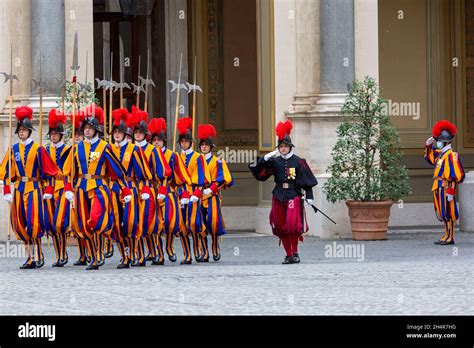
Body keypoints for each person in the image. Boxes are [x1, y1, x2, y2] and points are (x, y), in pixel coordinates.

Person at [63, 104, 131, 270]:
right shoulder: (76, 148)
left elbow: (116, 171)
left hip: (99, 188)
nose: (86, 131)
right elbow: (68, 172)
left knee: (98, 220)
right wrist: (67, 189)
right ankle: (93, 258)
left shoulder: (104, 147)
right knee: (84, 226)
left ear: (96, 130)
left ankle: (124, 254)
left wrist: (125, 189)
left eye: (90, 128)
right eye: (85, 128)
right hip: (81, 188)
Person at [249, 119, 317, 264]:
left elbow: (307, 179)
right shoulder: (274, 162)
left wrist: (309, 196)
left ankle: (295, 252)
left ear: (290, 147)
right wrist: (264, 158)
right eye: (281, 146)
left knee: (293, 226)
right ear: (278, 148)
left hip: (294, 196)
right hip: (279, 196)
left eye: (286, 146)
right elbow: (257, 171)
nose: (283, 148)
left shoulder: (299, 161)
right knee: (281, 227)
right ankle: (288, 254)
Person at [0, 106, 59, 269]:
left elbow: (49, 171)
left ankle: (38, 254)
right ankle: (30, 256)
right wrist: (6, 190)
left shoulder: (38, 149)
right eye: (19, 130)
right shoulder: (13, 149)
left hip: (34, 189)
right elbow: (5, 171)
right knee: (21, 223)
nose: (21, 132)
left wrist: (48, 190)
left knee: (34, 223)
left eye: (24, 130)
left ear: (29, 131)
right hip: (19, 189)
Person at [110, 108, 153, 268]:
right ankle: (125, 256)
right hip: (115, 190)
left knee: (132, 223)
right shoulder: (108, 149)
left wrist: (145, 190)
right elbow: (96, 164)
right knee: (117, 224)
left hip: (131, 189)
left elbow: (143, 173)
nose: (117, 134)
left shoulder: (133, 149)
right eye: (115, 132)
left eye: (120, 132)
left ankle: (140, 255)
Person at [129, 106, 171, 266]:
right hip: (134, 188)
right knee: (136, 222)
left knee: (150, 223)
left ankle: (158, 253)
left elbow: (163, 172)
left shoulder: (153, 150)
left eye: (140, 132)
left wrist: (161, 191)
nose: (138, 134)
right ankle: (141, 255)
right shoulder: (130, 149)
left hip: (149, 188)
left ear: (145, 134)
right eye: (136, 132)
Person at [149, 117, 192, 263]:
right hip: (153, 192)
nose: (156, 142)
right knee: (155, 225)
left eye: (159, 139)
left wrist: (185, 193)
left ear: (163, 141)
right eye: (154, 139)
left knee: (170, 223)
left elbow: (182, 176)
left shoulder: (172, 155)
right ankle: (160, 254)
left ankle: (169, 247)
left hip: (169, 192)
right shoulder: (147, 154)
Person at [424, 120, 465, 245]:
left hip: (446, 187)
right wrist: (428, 146)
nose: (438, 143)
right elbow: (430, 159)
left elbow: (456, 175)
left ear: (445, 142)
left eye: (439, 141)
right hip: (438, 186)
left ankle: (450, 236)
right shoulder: (442, 154)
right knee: (442, 213)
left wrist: (451, 191)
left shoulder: (452, 155)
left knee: (448, 212)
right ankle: (446, 235)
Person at [177, 117, 211, 264]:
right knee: (182, 225)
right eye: (182, 141)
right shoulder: (176, 157)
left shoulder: (198, 157)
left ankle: (202, 251)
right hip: (181, 193)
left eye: (186, 141)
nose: (184, 144)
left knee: (196, 224)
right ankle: (187, 255)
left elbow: (203, 177)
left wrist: (197, 193)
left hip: (194, 193)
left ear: (191, 142)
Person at [197, 124, 234, 262]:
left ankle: (215, 248)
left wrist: (211, 189)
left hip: (212, 195)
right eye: (202, 145)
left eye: (206, 145)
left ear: (211, 147)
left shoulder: (217, 161)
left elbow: (223, 178)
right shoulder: (197, 160)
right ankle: (204, 251)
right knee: (200, 224)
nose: (204, 147)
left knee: (213, 223)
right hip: (199, 195)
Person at [44, 108, 71, 267]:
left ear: (61, 134)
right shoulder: (46, 150)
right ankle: (58, 254)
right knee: (50, 223)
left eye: (55, 133)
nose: (53, 136)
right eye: (51, 134)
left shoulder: (68, 150)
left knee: (60, 222)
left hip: (62, 186)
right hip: (49, 188)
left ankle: (63, 252)